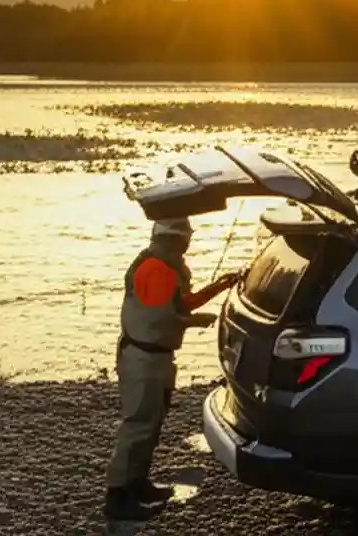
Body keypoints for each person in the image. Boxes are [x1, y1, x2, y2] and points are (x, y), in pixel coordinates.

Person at [104, 217, 243, 520]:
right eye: (185, 237)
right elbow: (163, 318)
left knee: (150, 425)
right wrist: (197, 321)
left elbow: (179, 304)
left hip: (155, 357)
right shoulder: (156, 269)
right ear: (176, 239)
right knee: (139, 425)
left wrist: (220, 286)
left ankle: (137, 484)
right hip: (144, 358)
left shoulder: (164, 266)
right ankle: (118, 496)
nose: (188, 242)